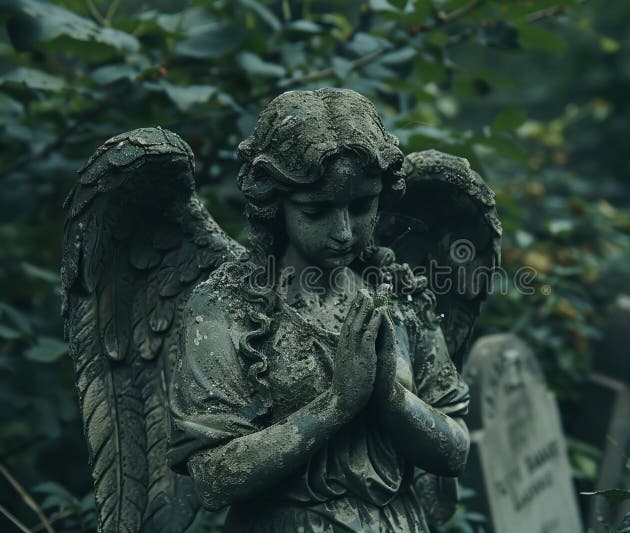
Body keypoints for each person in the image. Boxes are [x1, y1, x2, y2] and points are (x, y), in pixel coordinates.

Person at [167, 88, 470, 532]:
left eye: (363, 206)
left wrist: (391, 400)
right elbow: (213, 479)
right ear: (276, 206)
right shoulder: (225, 303)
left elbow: (455, 451)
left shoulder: (401, 293)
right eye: (317, 210)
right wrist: (336, 405)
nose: (344, 232)